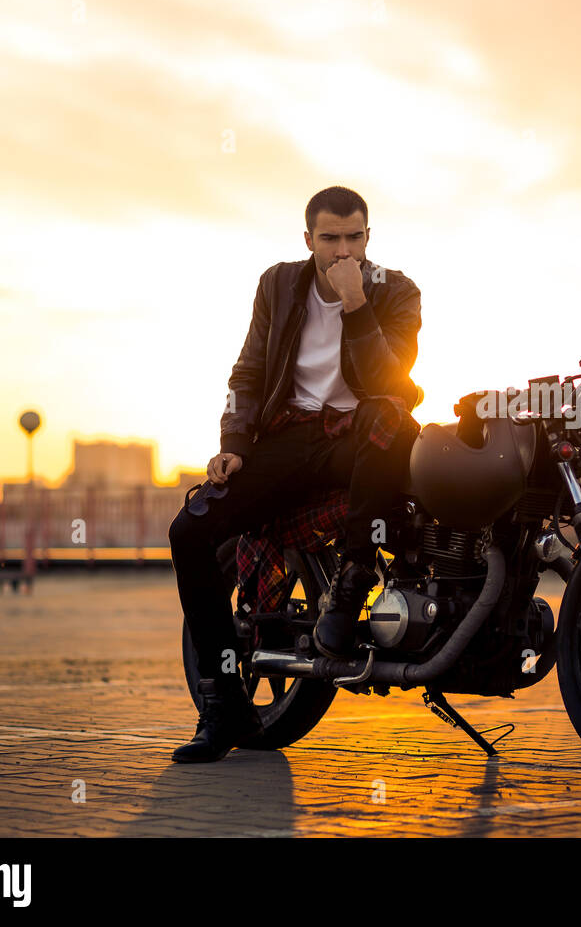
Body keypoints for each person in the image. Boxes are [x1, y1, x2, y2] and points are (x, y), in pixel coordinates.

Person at [167, 185, 422, 763]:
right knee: (190, 530)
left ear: (368, 237)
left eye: (354, 238)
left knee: (389, 416)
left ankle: (353, 581)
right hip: (287, 437)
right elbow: (248, 371)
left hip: (359, 438)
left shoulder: (398, 292)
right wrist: (234, 444)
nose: (342, 252)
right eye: (329, 239)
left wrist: (356, 305)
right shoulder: (279, 285)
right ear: (308, 241)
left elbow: (389, 381)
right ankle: (221, 705)